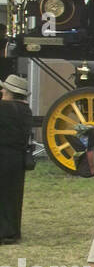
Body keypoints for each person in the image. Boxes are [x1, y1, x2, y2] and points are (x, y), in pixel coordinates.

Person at [0, 74, 34, 244]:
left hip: (3, 154)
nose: (2, 91)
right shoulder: (26, 111)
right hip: (17, 158)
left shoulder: (3, 108)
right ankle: (12, 232)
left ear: (11, 92)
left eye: (4, 89)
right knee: (13, 195)